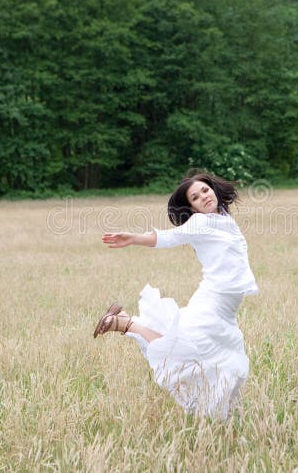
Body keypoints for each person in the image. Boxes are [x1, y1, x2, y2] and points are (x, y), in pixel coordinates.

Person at [95, 172, 259, 420]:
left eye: (205, 190)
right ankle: (125, 323)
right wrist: (134, 238)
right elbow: (169, 237)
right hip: (213, 302)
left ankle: (224, 419)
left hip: (226, 311)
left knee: (223, 363)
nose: (203, 197)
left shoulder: (223, 217)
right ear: (191, 207)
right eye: (195, 197)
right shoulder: (199, 223)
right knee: (184, 350)